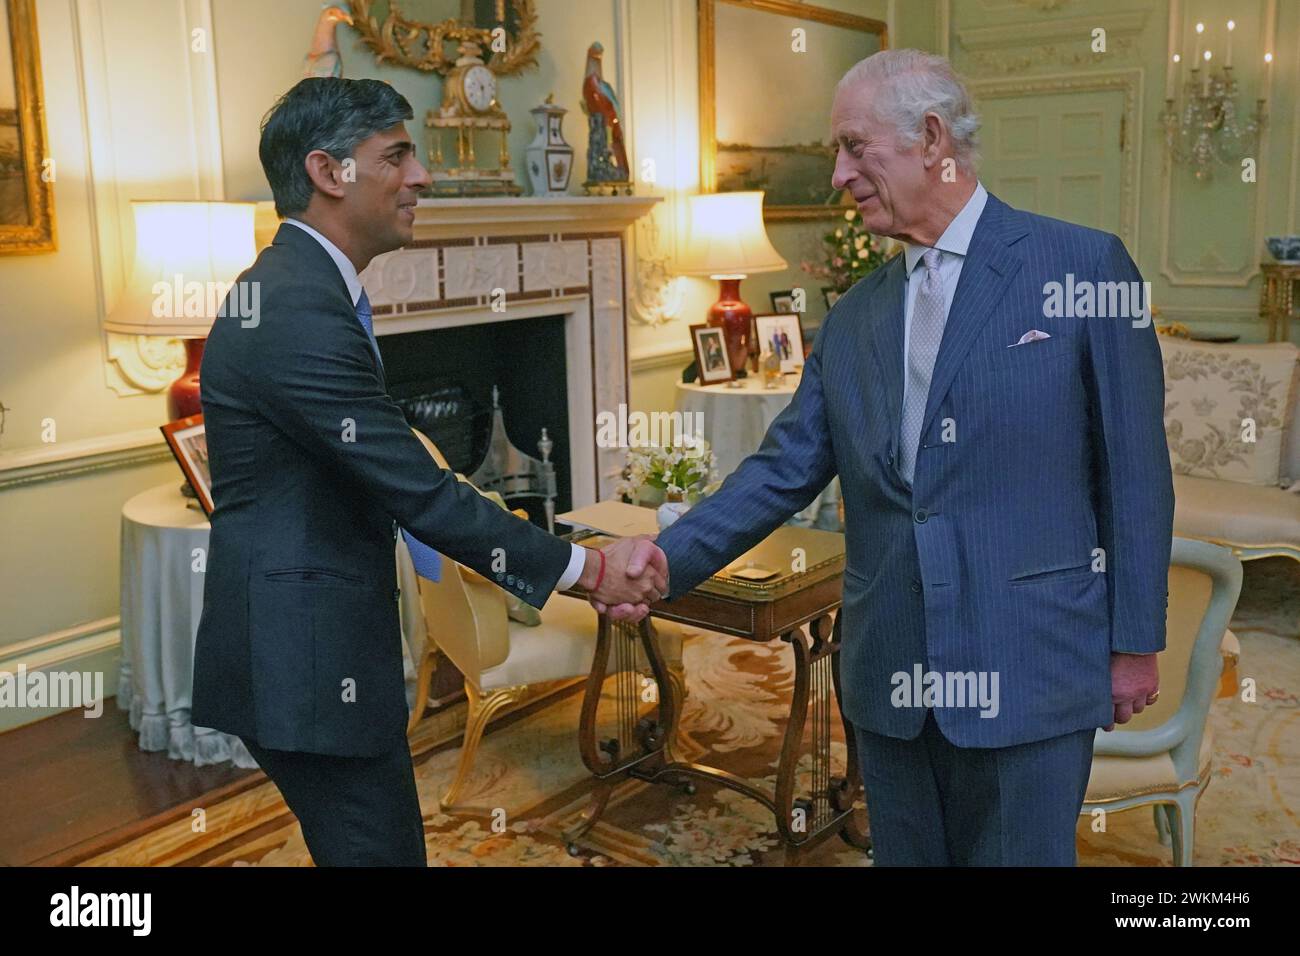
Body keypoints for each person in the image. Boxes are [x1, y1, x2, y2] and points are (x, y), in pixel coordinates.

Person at [622, 49, 1173, 865]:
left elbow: (1136, 474)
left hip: (1030, 661)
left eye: (854, 147)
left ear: (931, 137)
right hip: (890, 671)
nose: (838, 175)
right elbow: (781, 470)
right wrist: (658, 562)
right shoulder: (854, 318)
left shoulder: (1084, 268)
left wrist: (1134, 644)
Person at [192, 78, 665, 866]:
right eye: (398, 156)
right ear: (327, 172)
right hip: (304, 661)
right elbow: (419, 490)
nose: (423, 177)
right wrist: (590, 571)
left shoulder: (303, 290)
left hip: (306, 647)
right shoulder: (295, 309)